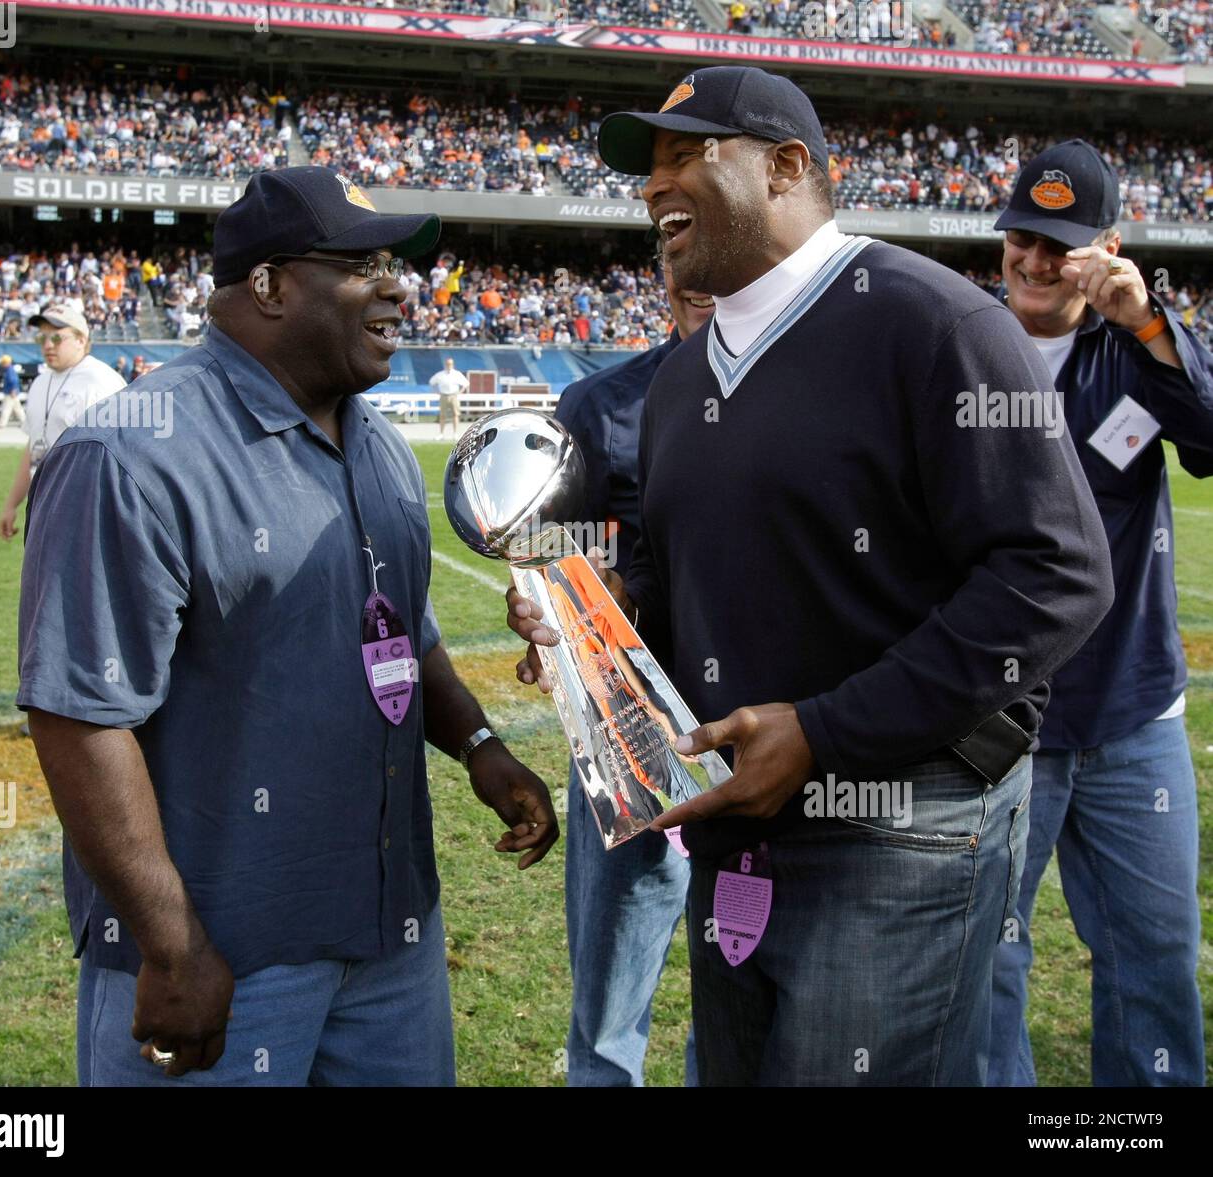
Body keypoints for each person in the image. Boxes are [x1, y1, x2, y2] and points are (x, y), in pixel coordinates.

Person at [507, 66, 1114, 1086]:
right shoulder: (678, 387)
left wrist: (828, 731)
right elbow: (666, 574)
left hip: (895, 830)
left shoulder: (934, 323)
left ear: (788, 166)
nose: (654, 187)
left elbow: (1056, 573)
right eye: (647, 168)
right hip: (733, 827)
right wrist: (588, 632)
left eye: (684, 155)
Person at [17, 167, 558, 1087]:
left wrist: (478, 746)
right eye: (362, 263)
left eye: (397, 262)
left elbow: (398, 630)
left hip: (389, 944)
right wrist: (173, 942)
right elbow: (80, 716)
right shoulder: (128, 453)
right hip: (223, 956)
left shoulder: (377, 440)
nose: (399, 284)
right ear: (267, 285)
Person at [987, 141, 1213, 1088]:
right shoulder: (953, 341)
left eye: (1064, 245)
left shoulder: (1139, 353)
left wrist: (1154, 322)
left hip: (1132, 713)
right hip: (996, 722)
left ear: (1111, 249)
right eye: (1023, 239)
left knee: (1154, 955)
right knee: (988, 959)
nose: (1038, 262)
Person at [526, 251, 714, 1086]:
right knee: (608, 1008)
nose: (697, 274)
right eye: (679, 255)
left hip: (774, 732)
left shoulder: (817, 393)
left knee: (748, 989)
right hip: (627, 732)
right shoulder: (599, 406)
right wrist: (545, 617)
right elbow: (557, 565)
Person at [0, 301, 123, 541]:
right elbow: (33, 447)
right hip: (43, 504)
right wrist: (11, 504)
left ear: (81, 340)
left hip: (86, 512)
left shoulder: (103, 381)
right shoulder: (40, 382)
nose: (47, 345)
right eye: (41, 338)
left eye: (56, 338)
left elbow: (125, 457)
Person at [430, 356, 468, 437]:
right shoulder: (440, 375)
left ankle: (455, 433)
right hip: (443, 396)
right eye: (447, 364)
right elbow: (432, 383)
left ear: (453, 364)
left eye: (450, 364)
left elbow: (466, 383)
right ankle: (441, 434)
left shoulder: (457, 374)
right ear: (445, 364)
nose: (449, 365)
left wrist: (460, 392)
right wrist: (437, 392)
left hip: (454, 396)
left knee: (455, 415)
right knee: (442, 415)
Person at [0, 353, 24, 429]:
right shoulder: (10, 369)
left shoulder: (9, 370)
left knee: (6, 409)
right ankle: (25, 423)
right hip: (13, 392)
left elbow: (13, 381)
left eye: (3, 363)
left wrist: (13, 390)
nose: (2, 364)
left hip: (10, 393)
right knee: (18, 409)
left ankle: (1, 424)